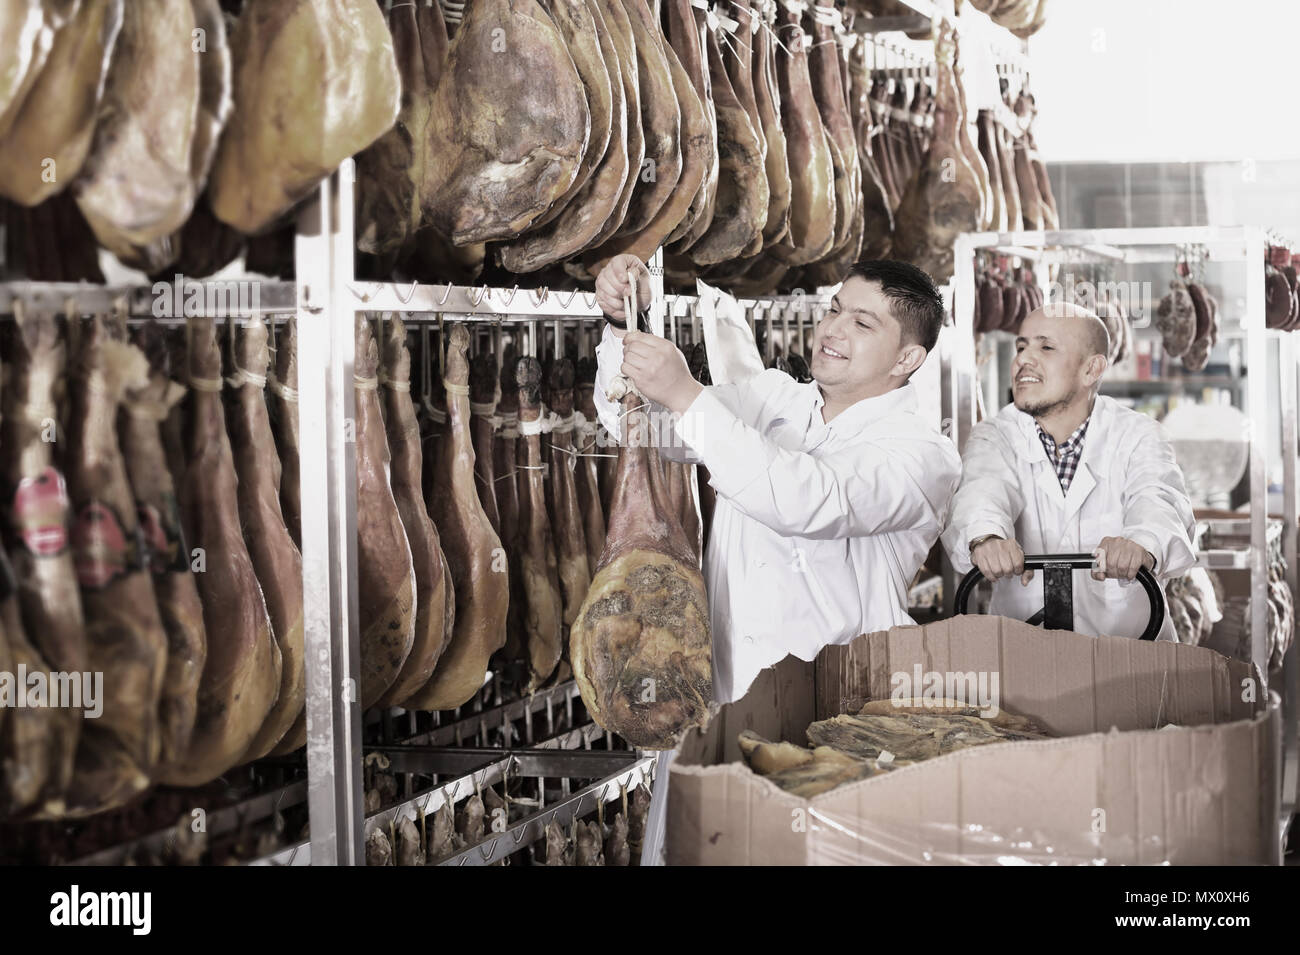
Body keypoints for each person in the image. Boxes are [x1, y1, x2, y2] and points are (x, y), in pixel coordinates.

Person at [592, 253, 962, 705]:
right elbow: (640, 426)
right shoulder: (770, 395)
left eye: (862, 324)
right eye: (834, 309)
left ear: (908, 357)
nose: (833, 329)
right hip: (724, 692)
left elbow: (808, 500)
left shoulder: (923, 454)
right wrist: (621, 323)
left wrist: (685, 393)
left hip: (835, 707)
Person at [942, 302, 1197, 641]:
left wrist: (1142, 543)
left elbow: (1158, 500)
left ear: (1092, 369)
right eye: (1021, 346)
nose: (1022, 360)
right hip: (1025, 661)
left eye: (1045, 347)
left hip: (1133, 658)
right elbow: (981, 489)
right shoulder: (996, 434)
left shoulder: (1138, 435)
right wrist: (987, 537)